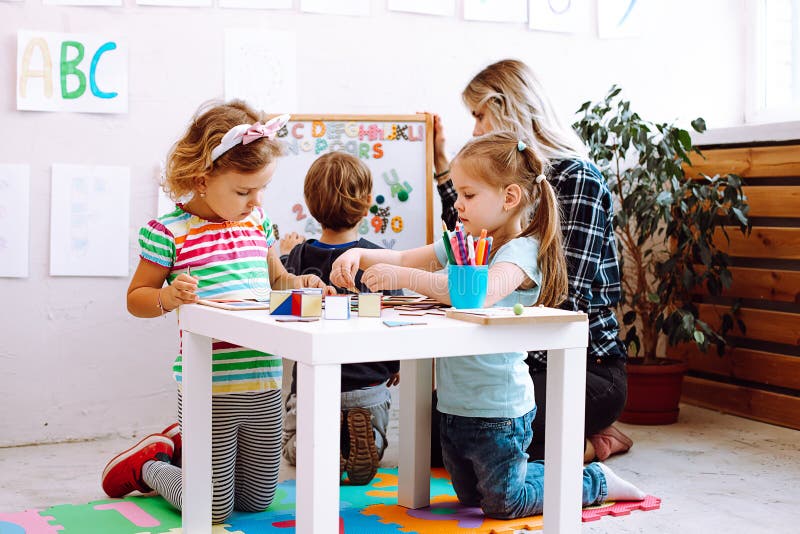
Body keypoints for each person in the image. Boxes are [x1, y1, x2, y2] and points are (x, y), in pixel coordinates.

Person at [330, 132, 645, 519]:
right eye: (459, 194)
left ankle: (593, 480)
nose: (458, 204)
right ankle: (551, 473)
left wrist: (405, 278)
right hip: (453, 405)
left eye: (468, 195)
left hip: (500, 408)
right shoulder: (463, 241)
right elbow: (406, 256)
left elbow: (478, 293)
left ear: (510, 197)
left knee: (503, 503)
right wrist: (359, 253)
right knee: (470, 497)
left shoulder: (521, 252)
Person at [100, 101, 334, 524]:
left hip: (263, 381)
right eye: (243, 191)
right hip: (209, 387)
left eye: (261, 189)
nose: (255, 200)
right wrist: (168, 298)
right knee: (212, 507)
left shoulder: (257, 223)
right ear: (202, 180)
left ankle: (181, 446)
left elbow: (276, 282)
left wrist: (303, 283)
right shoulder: (170, 232)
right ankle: (151, 465)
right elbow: (136, 297)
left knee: (260, 499)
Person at [432, 59, 631, 463]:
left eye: (479, 115)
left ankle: (594, 443)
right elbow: (466, 243)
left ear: (506, 108)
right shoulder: (508, 185)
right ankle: (566, 432)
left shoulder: (578, 180)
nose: (475, 129)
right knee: (437, 432)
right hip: (515, 359)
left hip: (583, 367)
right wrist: (442, 169)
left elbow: (564, 295)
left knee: (478, 433)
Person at [280, 151, 400, 485]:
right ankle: (369, 440)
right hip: (369, 389)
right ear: (365, 207)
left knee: (290, 447)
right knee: (376, 437)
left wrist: (287, 254)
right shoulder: (378, 257)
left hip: (313, 388)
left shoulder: (301, 256)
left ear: (310, 204)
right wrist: (394, 366)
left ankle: (321, 449)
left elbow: (282, 303)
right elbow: (393, 318)